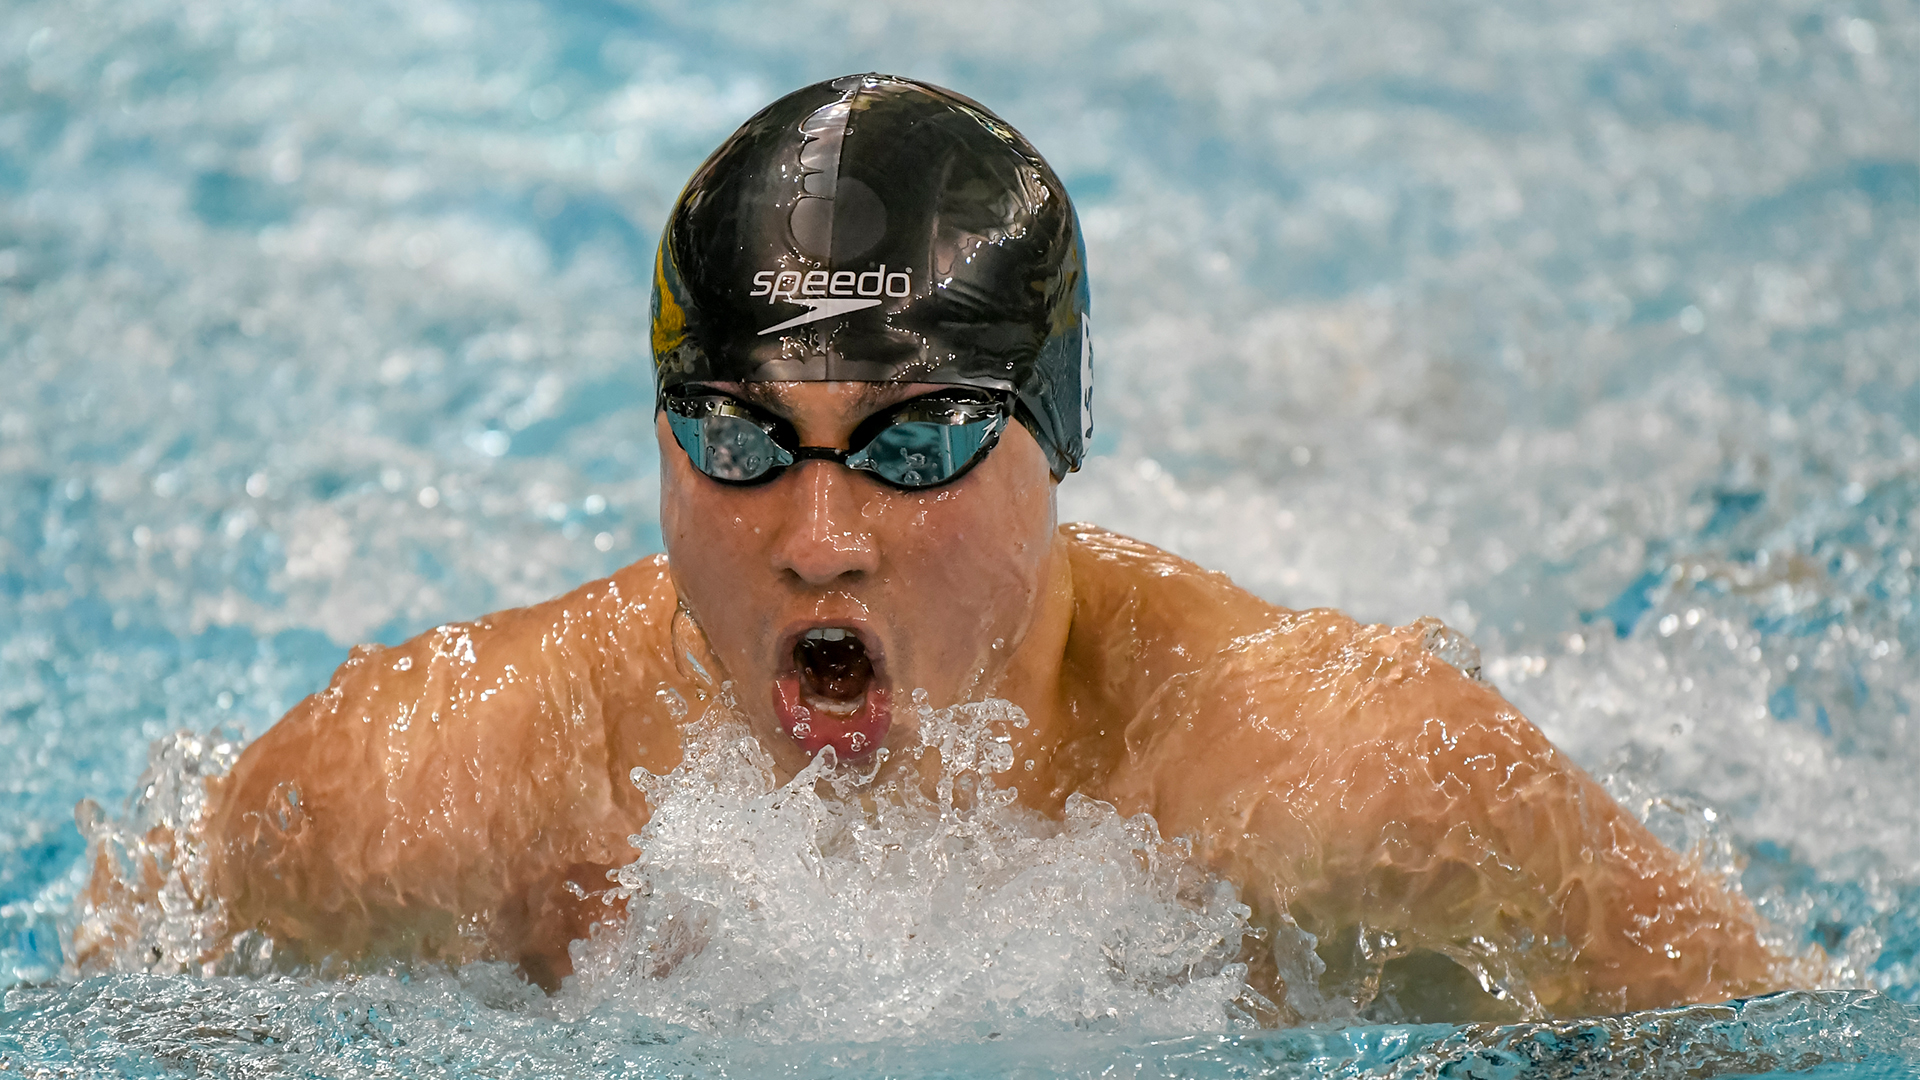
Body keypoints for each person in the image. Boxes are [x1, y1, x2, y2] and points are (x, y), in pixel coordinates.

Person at [75, 73, 1788, 1019]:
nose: (821, 541)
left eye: (921, 443)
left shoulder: (1344, 781)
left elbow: (1741, 1019)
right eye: (743, 442)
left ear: (1060, 438)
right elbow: (120, 995)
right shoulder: (430, 787)